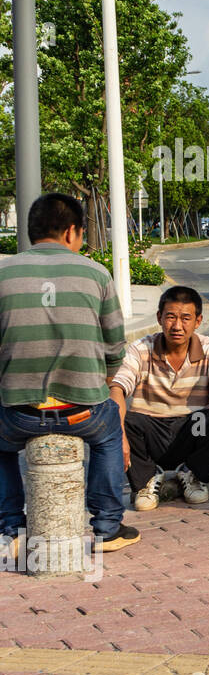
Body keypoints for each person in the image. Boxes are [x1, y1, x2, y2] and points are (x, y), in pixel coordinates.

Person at [0, 193, 137, 553]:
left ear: (31, 232)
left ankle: (12, 528)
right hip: (83, 413)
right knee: (109, 434)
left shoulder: (3, 273)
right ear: (72, 232)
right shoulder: (96, 273)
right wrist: (100, 382)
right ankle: (107, 526)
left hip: (18, 416)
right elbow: (115, 347)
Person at [109, 286, 209, 510]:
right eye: (170, 317)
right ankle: (147, 479)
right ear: (159, 317)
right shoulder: (141, 348)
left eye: (185, 318)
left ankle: (192, 473)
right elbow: (118, 389)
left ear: (198, 321)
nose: (177, 326)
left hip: (191, 430)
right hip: (151, 430)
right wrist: (118, 433)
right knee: (126, 418)